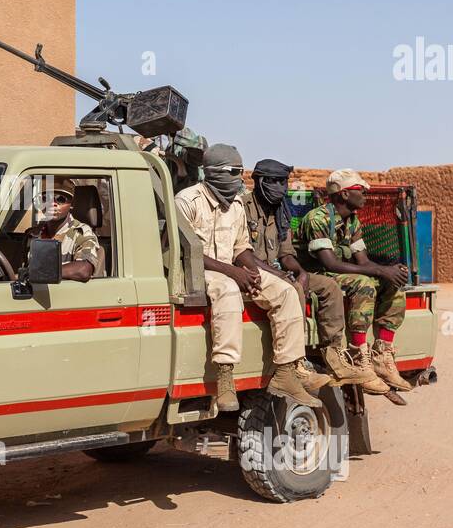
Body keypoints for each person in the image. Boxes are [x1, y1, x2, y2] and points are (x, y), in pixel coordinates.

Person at [174, 145, 322, 412]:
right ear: (214, 171)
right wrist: (234, 273)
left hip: (232, 268)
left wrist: (252, 272)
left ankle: (286, 372)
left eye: (241, 173)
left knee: (286, 291)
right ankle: (225, 375)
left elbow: (241, 248)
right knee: (228, 289)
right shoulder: (188, 201)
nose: (239, 179)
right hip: (197, 270)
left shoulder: (236, 205)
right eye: (234, 172)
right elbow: (189, 252)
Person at [243, 159, 368, 389]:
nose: (280, 187)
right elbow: (243, 254)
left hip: (276, 270)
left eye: (283, 182)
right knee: (294, 289)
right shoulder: (242, 207)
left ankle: (333, 354)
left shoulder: (280, 209)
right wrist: (283, 276)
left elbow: (286, 254)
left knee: (328, 287)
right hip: (250, 272)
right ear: (260, 182)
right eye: (274, 182)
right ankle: (296, 361)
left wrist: (299, 270)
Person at [295, 169, 412, 401]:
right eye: (360, 190)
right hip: (317, 275)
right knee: (365, 284)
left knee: (393, 284)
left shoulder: (352, 221)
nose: (365, 195)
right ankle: (359, 356)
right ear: (344, 194)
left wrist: (390, 272)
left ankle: (382, 356)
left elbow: (363, 261)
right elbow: (330, 263)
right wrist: (379, 270)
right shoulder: (318, 218)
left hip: (337, 272)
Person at [25, 176, 104, 281]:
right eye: (46, 198)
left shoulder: (81, 232)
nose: (52, 203)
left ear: (72, 204)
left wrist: (39, 272)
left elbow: (84, 270)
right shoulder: (32, 234)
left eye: (60, 199)